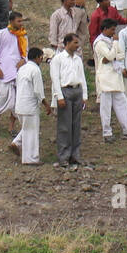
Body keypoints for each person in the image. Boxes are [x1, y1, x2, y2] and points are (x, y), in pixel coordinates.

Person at [51, 32, 90, 168]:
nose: (77, 45)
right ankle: (63, 156)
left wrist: (84, 95)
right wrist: (59, 97)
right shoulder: (59, 59)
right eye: (75, 42)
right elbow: (55, 79)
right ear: (67, 43)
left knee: (76, 125)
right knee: (64, 126)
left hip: (77, 90)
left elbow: (82, 77)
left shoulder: (77, 59)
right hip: (65, 91)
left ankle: (75, 155)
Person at [10, 46, 51, 165]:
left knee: (27, 129)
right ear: (37, 57)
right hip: (30, 106)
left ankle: (16, 143)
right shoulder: (35, 70)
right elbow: (38, 91)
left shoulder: (21, 69)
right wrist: (46, 104)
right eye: (41, 58)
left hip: (19, 105)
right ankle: (31, 159)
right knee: (32, 132)